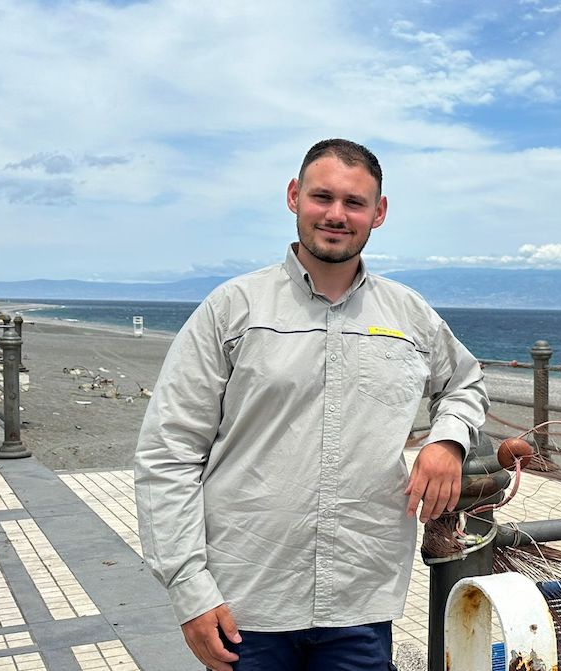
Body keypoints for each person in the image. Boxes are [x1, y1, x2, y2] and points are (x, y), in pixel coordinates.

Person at [135, 138, 489, 671]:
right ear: (294, 196)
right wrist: (189, 589)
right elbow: (168, 453)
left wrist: (447, 441)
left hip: (360, 600)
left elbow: (465, 381)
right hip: (245, 602)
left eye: (355, 202)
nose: (336, 214)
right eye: (322, 197)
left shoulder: (409, 314)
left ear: (379, 212)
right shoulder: (233, 308)